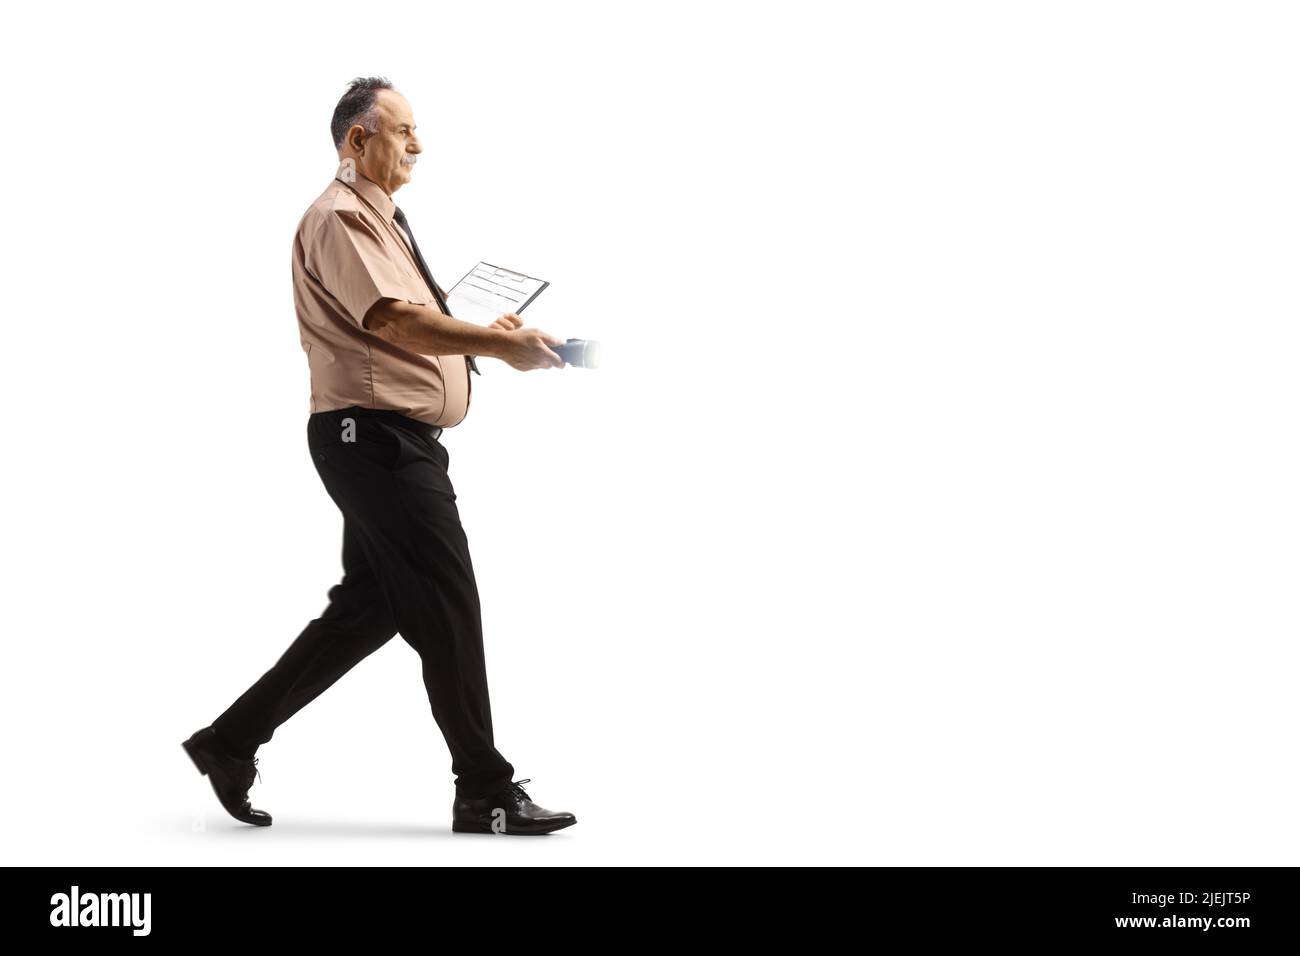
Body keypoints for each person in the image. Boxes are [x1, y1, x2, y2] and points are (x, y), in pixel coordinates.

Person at [182, 76, 576, 835]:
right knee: (448, 600)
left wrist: (484, 333)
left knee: (372, 608)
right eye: (403, 130)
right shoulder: (339, 217)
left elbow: (408, 320)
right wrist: (499, 346)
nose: (418, 144)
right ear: (358, 140)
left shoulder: (380, 220)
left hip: (387, 442)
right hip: (374, 442)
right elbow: (392, 321)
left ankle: (228, 742)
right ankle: (485, 790)